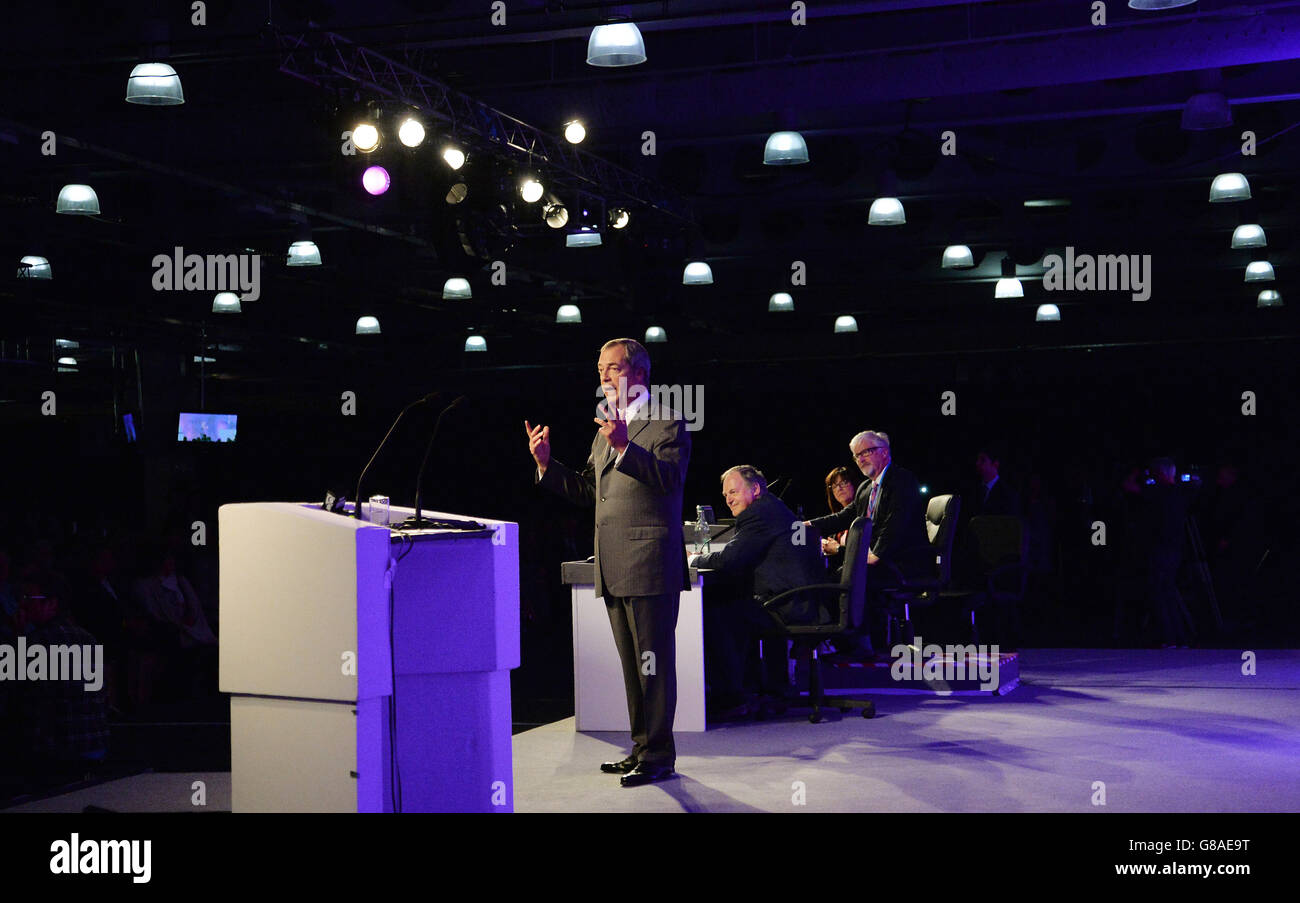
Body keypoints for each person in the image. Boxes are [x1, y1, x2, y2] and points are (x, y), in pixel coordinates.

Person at [526, 338, 690, 788]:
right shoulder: (607, 429)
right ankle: (640, 747)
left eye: (612, 368)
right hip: (613, 562)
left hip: (651, 563)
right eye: (599, 368)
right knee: (632, 665)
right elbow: (586, 491)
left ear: (638, 373)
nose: (602, 376)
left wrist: (624, 447)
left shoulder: (667, 422)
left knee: (653, 663)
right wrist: (546, 465)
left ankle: (659, 754)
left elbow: (669, 480)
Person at [691, 466, 828, 713]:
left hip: (787, 604)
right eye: (724, 495)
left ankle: (730, 695)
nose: (728, 499)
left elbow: (729, 560)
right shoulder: (772, 508)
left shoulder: (759, 514)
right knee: (728, 600)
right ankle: (749, 687)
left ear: (755, 489)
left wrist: (692, 560)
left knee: (714, 609)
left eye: (733, 492)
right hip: (798, 599)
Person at [807, 430, 929, 653]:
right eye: (856, 455)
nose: (860, 459)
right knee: (832, 576)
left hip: (902, 562)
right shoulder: (865, 487)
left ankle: (857, 644)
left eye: (867, 452)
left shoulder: (901, 481)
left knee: (846, 577)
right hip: (878, 559)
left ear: (884, 452)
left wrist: (850, 552)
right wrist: (806, 525)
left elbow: (893, 531)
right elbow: (843, 516)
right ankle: (844, 642)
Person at [820, 466, 857, 569]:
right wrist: (825, 546)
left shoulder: (863, 514)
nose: (839, 488)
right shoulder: (835, 521)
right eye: (834, 486)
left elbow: (861, 555)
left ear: (854, 484)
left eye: (844, 482)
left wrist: (836, 549)